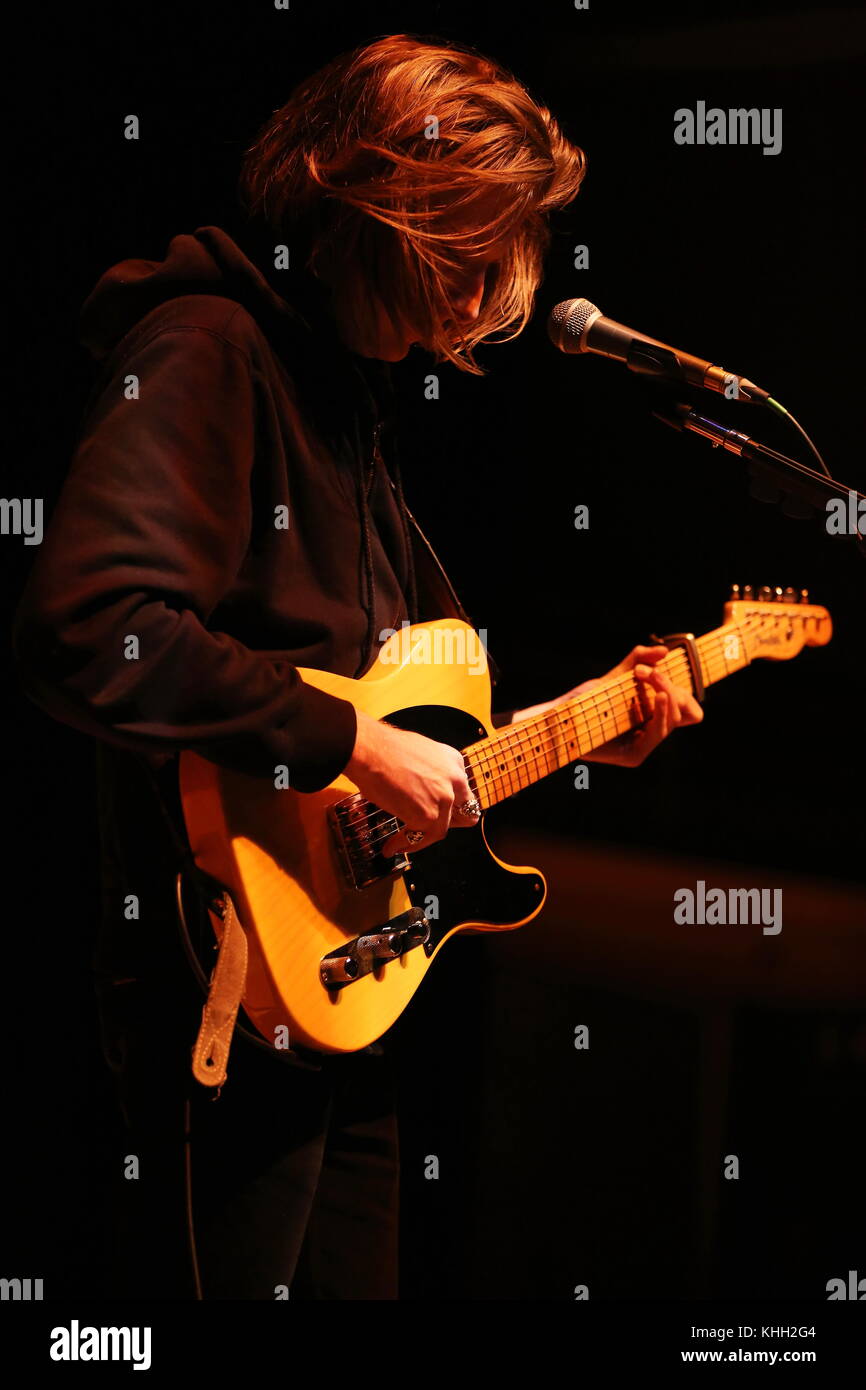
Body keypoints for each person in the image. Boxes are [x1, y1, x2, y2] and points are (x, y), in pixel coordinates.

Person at [12, 33, 702, 1301]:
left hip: (342, 995)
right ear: (373, 199)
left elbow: (386, 711)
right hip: (214, 997)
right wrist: (344, 745)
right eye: (472, 233)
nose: (495, 277)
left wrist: (575, 726)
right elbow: (85, 620)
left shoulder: (348, 411)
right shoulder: (210, 347)